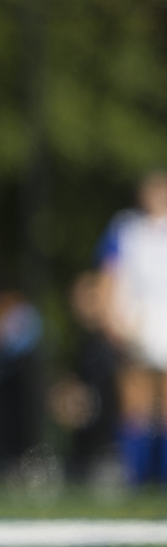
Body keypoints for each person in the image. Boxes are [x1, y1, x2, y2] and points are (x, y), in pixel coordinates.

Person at [98, 170, 167, 483]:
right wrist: (110, 315)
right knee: (135, 402)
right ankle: (135, 477)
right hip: (137, 322)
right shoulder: (127, 228)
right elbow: (110, 273)